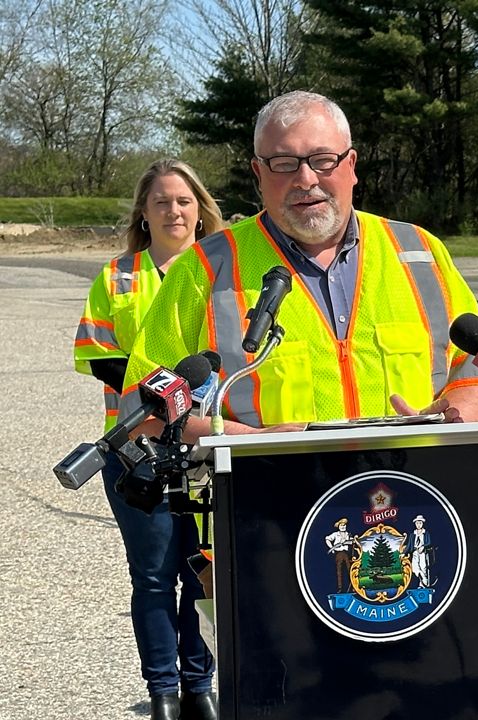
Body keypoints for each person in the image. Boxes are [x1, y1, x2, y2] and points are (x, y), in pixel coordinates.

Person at [120, 89, 478, 438]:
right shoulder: (204, 268)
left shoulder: (420, 251)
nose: (306, 179)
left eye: (324, 160)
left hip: (408, 498)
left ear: (352, 165)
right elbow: (143, 405)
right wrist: (249, 441)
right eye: (285, 163)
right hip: (268, 505)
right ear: (259, 173)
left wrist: (463, 415)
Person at [74, 158, 225, 720]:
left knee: (205, 570)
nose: (173, 210)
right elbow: (102, 360)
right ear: (144, 211)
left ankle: (199, 684)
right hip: (138, 452)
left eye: (184, 200)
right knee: (155, 575)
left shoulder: (224, 274)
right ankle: (163, 690)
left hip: (210, 448)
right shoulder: (118, 276)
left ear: (200, 208)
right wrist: (162, 398)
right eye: (161, 200)